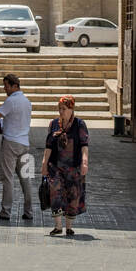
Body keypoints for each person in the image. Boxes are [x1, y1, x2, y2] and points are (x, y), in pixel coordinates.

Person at [0, 73, 34, 222]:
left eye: (6, 86)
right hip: (25, 143)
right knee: (26, 179)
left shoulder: (11, 101)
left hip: (10, 143)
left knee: (8, 178)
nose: (5, 89)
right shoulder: (27, 101)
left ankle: (6, 211)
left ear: (14, 86)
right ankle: (29, 211)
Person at [41, 95, 89, 236]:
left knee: (73, 195)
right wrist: (44, 164)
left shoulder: (79, 124)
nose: (61, 112)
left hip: (74, 167)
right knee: (55, 193)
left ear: (71, 109)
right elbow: (48, 145)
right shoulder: (54, 124)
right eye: (59, 109)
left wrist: (84, 162)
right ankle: (57, 226)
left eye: (64, 109)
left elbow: (84, 146)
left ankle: (69, 227)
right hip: (55, 166)